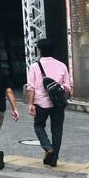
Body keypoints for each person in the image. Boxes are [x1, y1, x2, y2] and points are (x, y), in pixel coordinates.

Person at [26, 38, 73, 167]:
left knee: (39, 125)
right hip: (58, 104)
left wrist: (31, 104)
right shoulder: (61, 65)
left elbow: (31, 88)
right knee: (57, 130)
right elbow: (68, 88)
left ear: (40, 51)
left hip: (41, 103)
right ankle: (54, 159)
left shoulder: (35, 66)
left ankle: (48, 147)